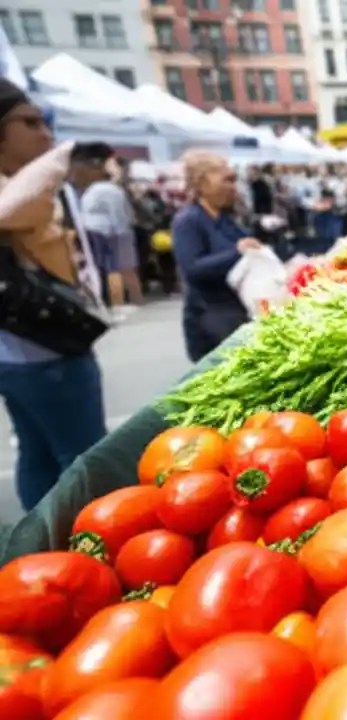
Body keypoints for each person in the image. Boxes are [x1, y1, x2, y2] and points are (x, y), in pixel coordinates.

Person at [0, 79, 107, 509]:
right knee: (83, 459)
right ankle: (77, 551)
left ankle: (38, 545)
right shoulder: (18, 196)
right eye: (29, 122)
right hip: (46, 352)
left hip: (14, 356)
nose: (45, 134)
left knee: (38, 453)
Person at [171, 152, 262, 361]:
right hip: (209, 320)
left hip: (235, 315)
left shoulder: (225, 220)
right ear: (201, 182)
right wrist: (237, 251)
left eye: (234, 180)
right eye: (227, 180)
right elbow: (193, 269)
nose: (233, 187)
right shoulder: (189, 221)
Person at [78, 146, 144, 315]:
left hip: (91, 230)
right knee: (124, 269)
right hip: (116, 232)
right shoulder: (113, 191)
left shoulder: (90, 191)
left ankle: (112, 303)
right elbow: (120, 215)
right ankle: (130, 301)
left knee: (104, 269)